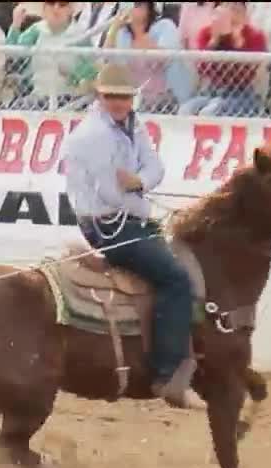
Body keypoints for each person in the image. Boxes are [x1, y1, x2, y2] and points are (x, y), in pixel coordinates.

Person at [61, 63, 202, 410]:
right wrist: (139, 192)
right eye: (112, 97)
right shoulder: (92, 136)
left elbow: (155, 168)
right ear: (100, 96)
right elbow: (110, 192)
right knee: (175, 279)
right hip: (108, 225)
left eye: (124, 97)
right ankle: (167, 375)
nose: (119, 103)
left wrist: (139, 182)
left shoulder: (134, 127)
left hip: (128, 218)